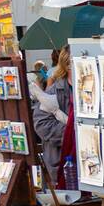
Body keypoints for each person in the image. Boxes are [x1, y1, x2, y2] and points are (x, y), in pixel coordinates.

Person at [32, 46, 72, 187]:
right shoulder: (54, 91)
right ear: (67, 66)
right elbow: (41, 124)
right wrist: (71, 133)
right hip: (62, 162)